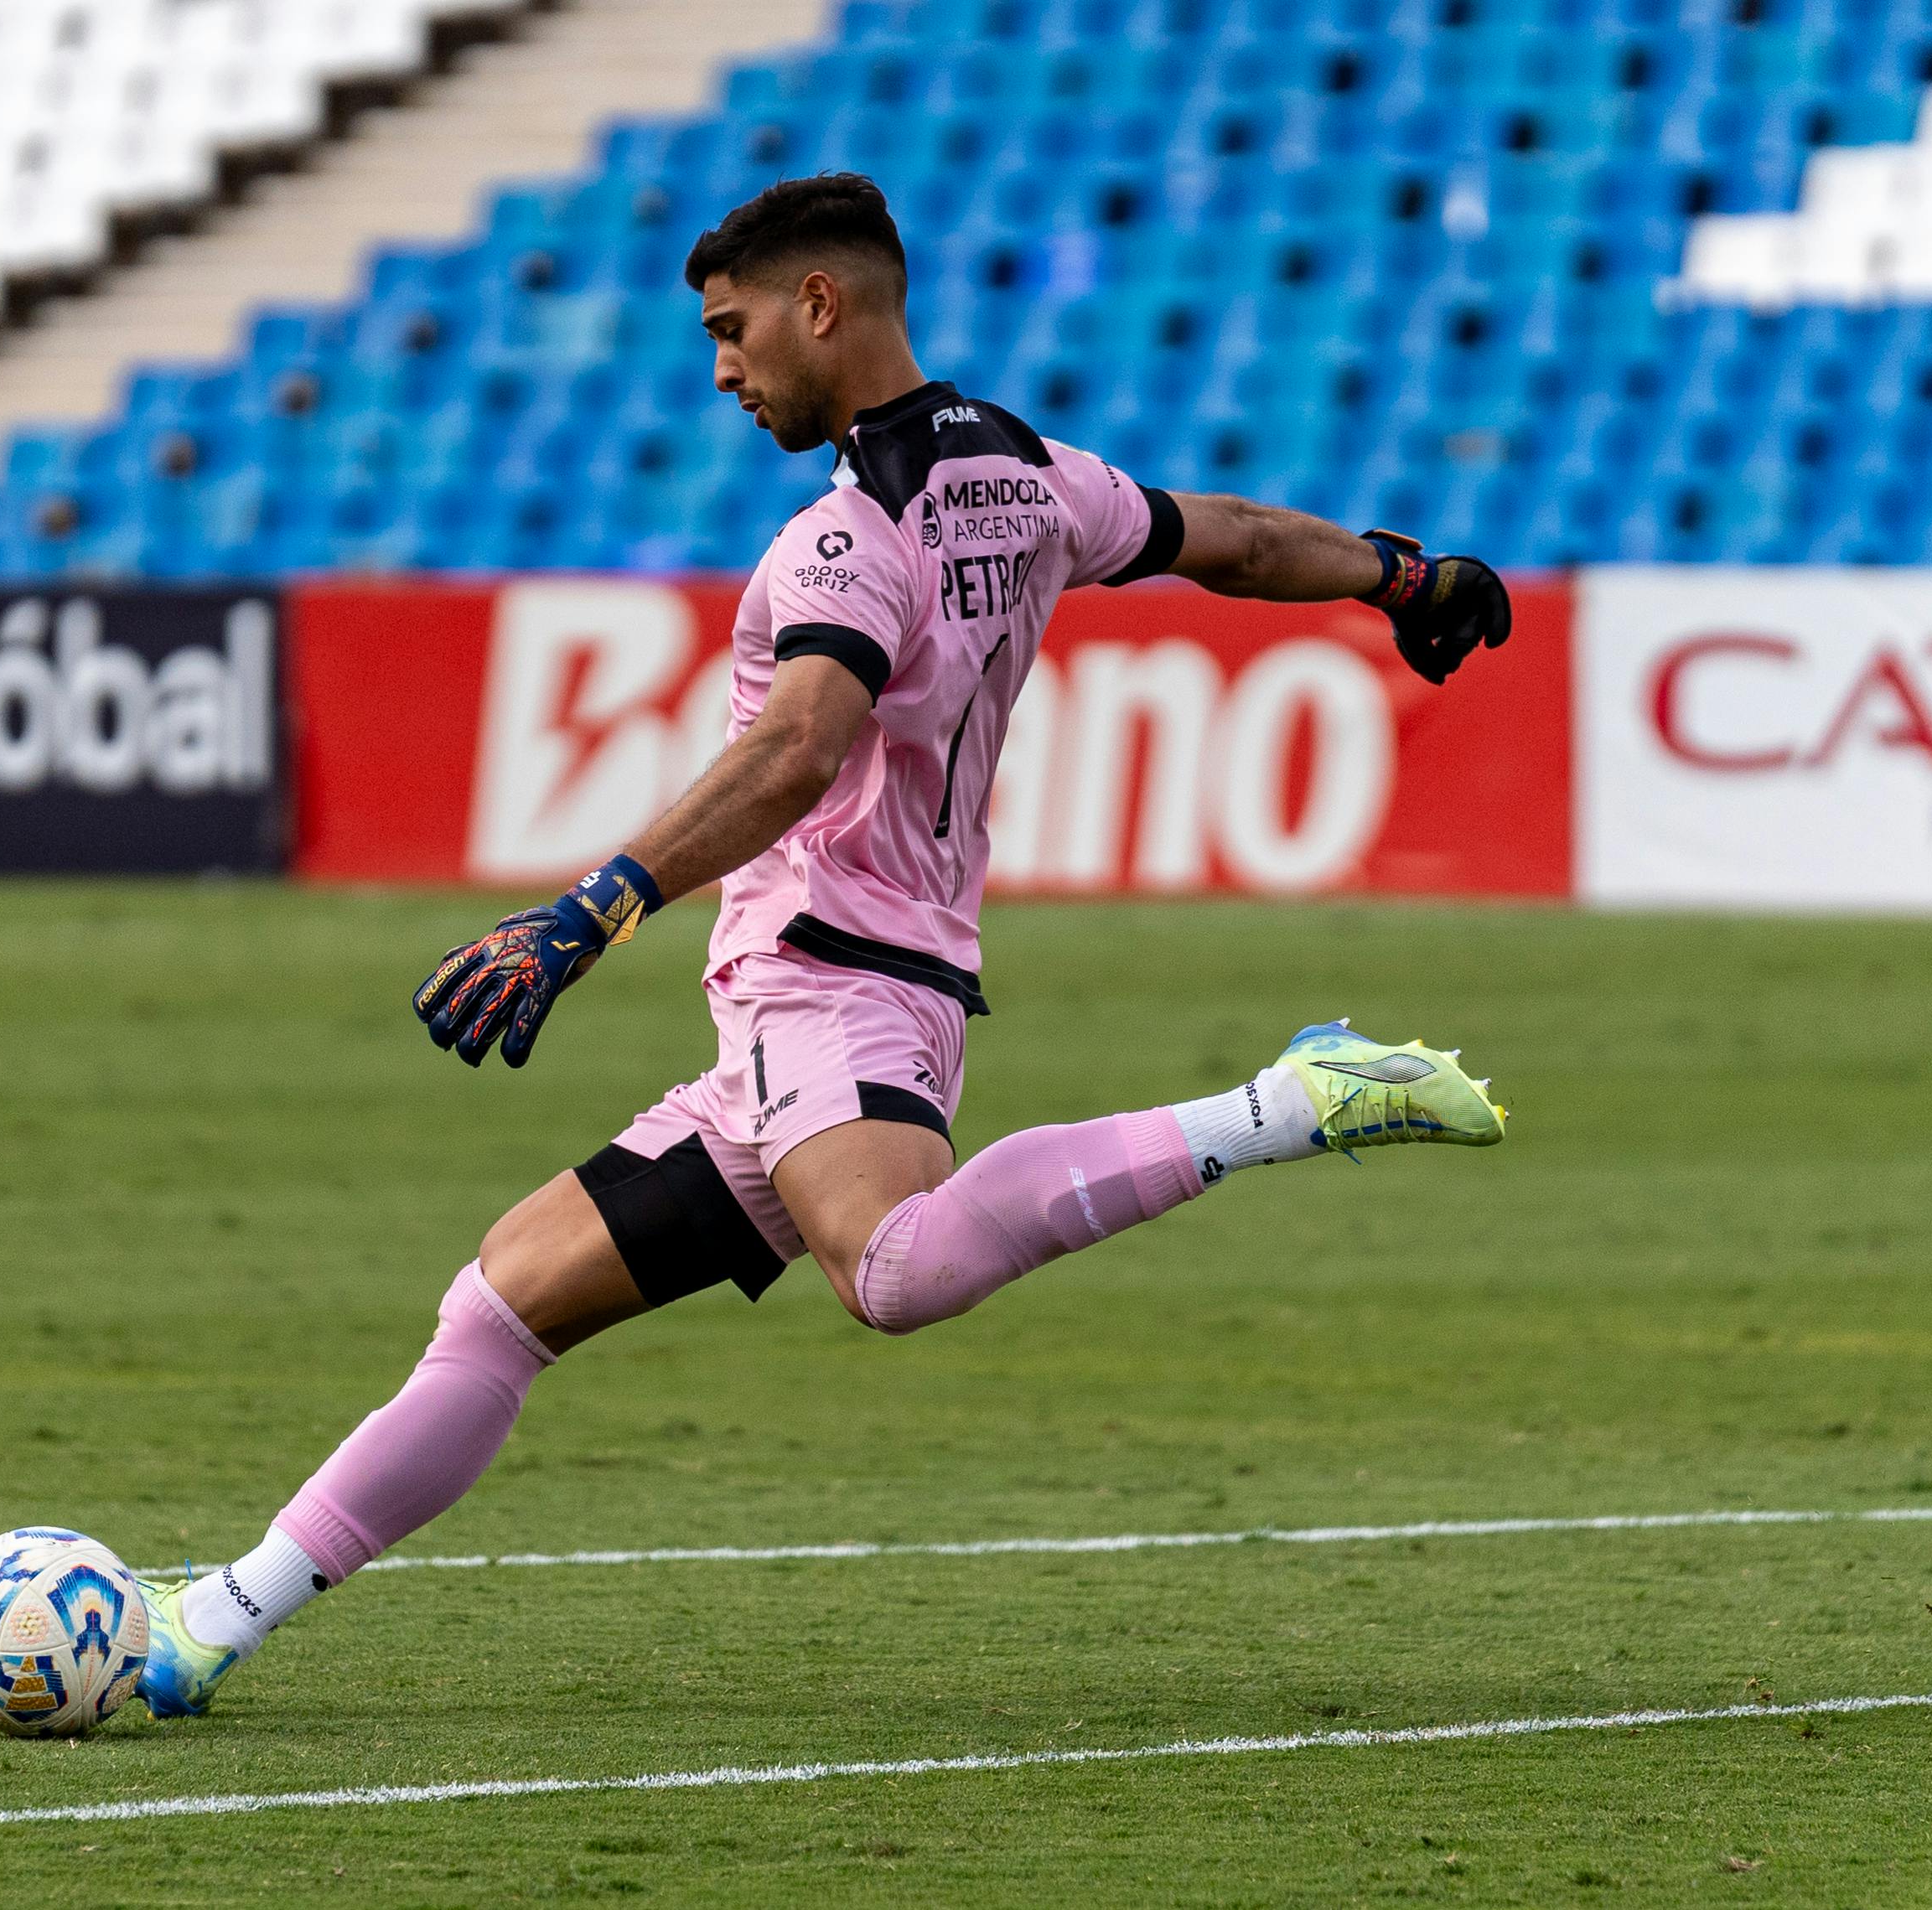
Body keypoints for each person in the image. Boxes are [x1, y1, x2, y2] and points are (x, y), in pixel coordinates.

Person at [128, 174, 1515, 1712]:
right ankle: (214, 1620)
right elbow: (1233, 539)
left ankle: (1282, 1102)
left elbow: (798, 745)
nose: (722, 369)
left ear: (821, 303)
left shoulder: (847, 539)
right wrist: (1402, 573)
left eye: (732, 331)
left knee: (898, 1267)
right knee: (503, 1303)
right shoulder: (1030, 473)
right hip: (835, 1005)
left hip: (828, 978)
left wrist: (590, 908)